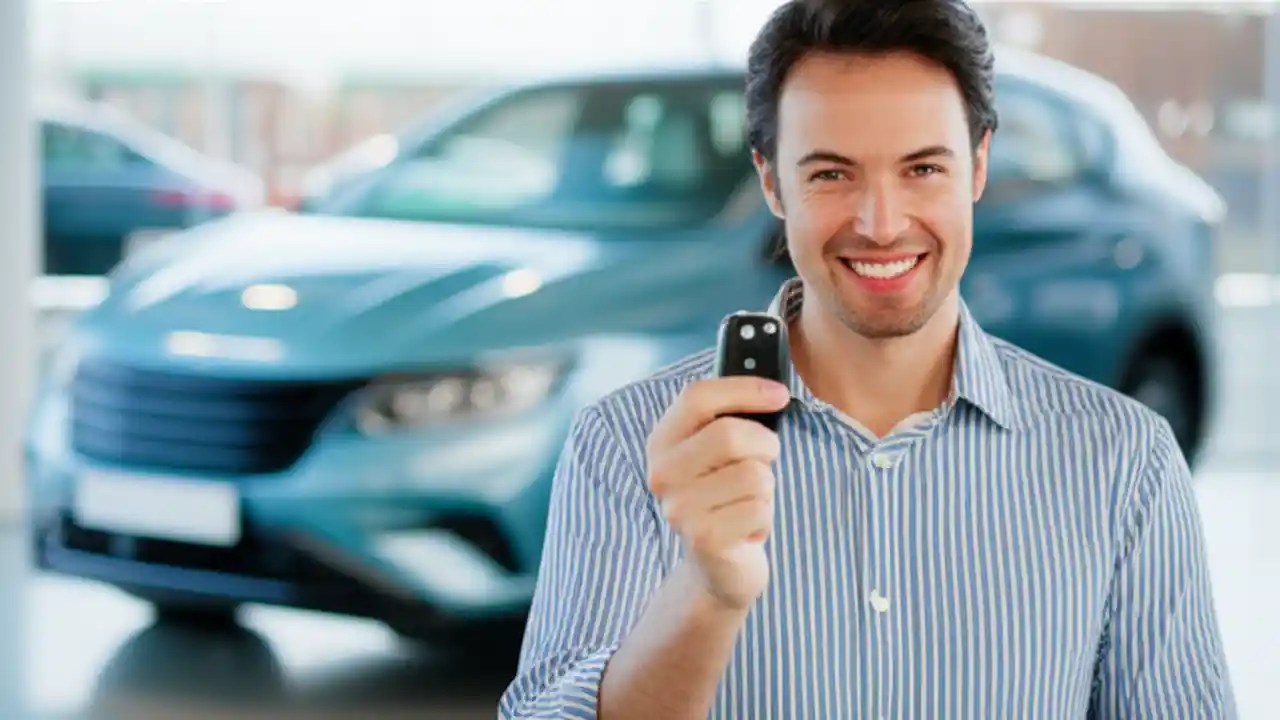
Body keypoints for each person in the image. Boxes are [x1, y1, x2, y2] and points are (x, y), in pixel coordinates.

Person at [498, 1, 1236, 717]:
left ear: (977, 166)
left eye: (922, 170)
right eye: (830, 174)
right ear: (770, 180)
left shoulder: (1124, 463)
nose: (881, 224)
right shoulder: (626, 448)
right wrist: (705, 593)